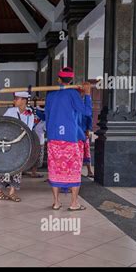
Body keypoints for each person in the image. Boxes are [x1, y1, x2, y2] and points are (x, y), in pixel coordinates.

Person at [45, 67, 92, 211]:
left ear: (58, 79)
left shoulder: (51, 94)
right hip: (70, 138)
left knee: (54, 168)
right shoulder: (73, 93)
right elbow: (87, 112)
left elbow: (47, 116)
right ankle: (73, 203)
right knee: (74, 169)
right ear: (71, 80)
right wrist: (88, 95)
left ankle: (56, 202)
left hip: (53, 137)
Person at [0, 91, 35, 202]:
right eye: (15, 98)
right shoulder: (11, 111)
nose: (14, 100)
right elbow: (4, 124)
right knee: (4, 166)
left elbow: (28, 129)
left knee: (18, 168)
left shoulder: (30, 113)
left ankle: (12, 192)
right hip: (8, 143)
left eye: (17, 98)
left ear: (24, 100)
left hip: (21, 145)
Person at [24, 105, 46, 178]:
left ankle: (23, 171)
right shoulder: (44, 119)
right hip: (38, 141)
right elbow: (45, 129)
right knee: (36, 158)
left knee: (26, 156)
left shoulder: (30, 114)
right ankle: (33, 172)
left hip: (28, 139)